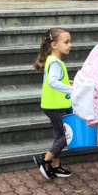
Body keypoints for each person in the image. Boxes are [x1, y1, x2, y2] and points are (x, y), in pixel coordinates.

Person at [32, 27, 74, 179]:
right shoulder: (55, 62)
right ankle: (44, 159)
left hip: (52, 104)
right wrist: (72, 90)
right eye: (66, 42)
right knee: (67, 135)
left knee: (59, 135)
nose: (70, 45)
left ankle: (55, 167)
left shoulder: (52, 60)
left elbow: (56, 80)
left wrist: (69, 82)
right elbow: (53, 82)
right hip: (55, 105)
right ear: (54, 45)